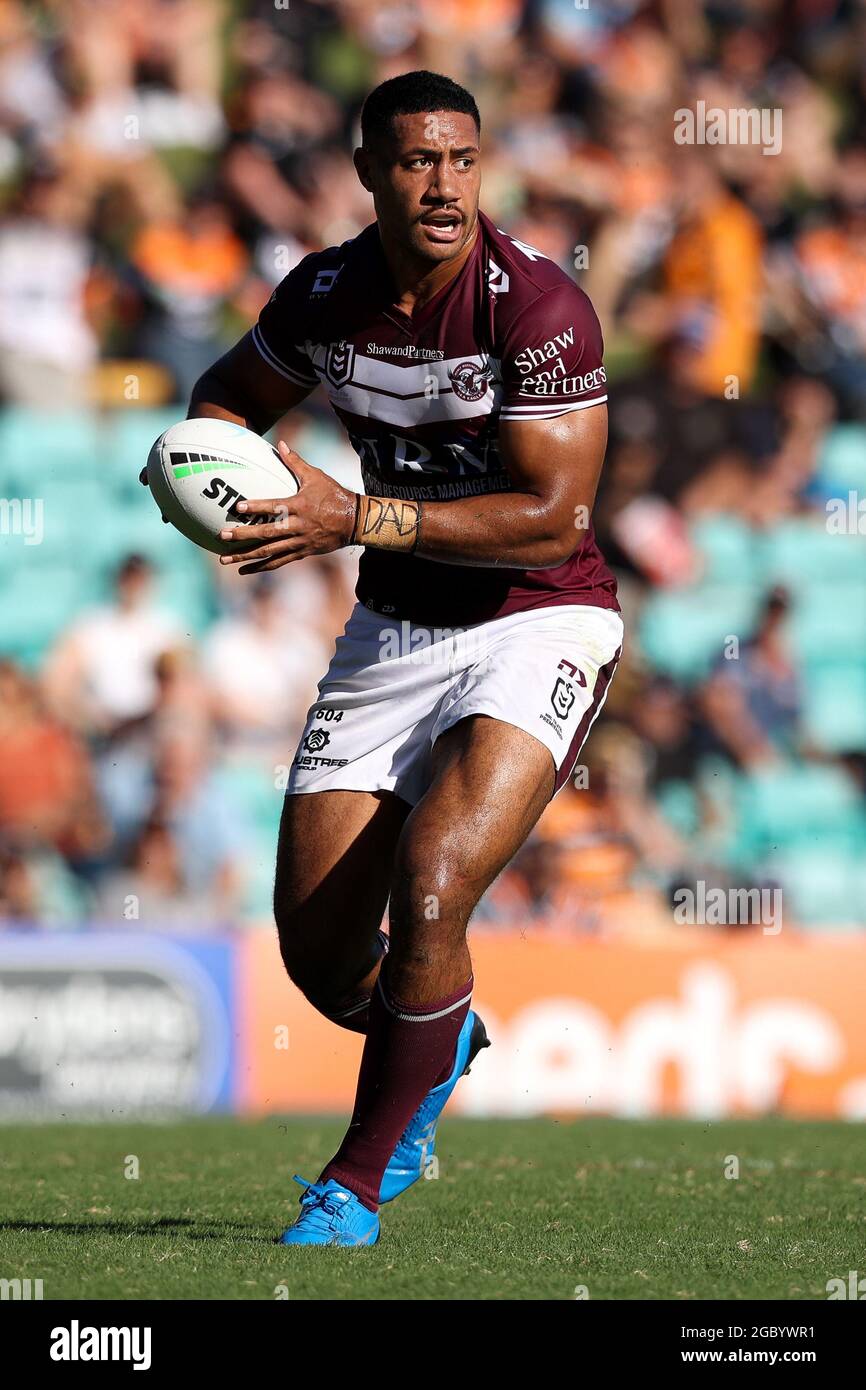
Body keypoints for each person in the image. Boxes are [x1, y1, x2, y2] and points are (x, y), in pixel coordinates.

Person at [184, 70, 623, 1246]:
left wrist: (353, 518)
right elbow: (225, 399)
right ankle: (444, 1028)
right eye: (418, 162)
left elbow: (551, 516)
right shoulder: (325, 293)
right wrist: (199, 474)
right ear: (370, 171)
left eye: (463, 160)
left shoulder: (535, 308)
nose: (444, 185)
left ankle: (354, 1184)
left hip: (539, 617)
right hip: (393, 630)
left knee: (434, 884)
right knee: (323, 959)